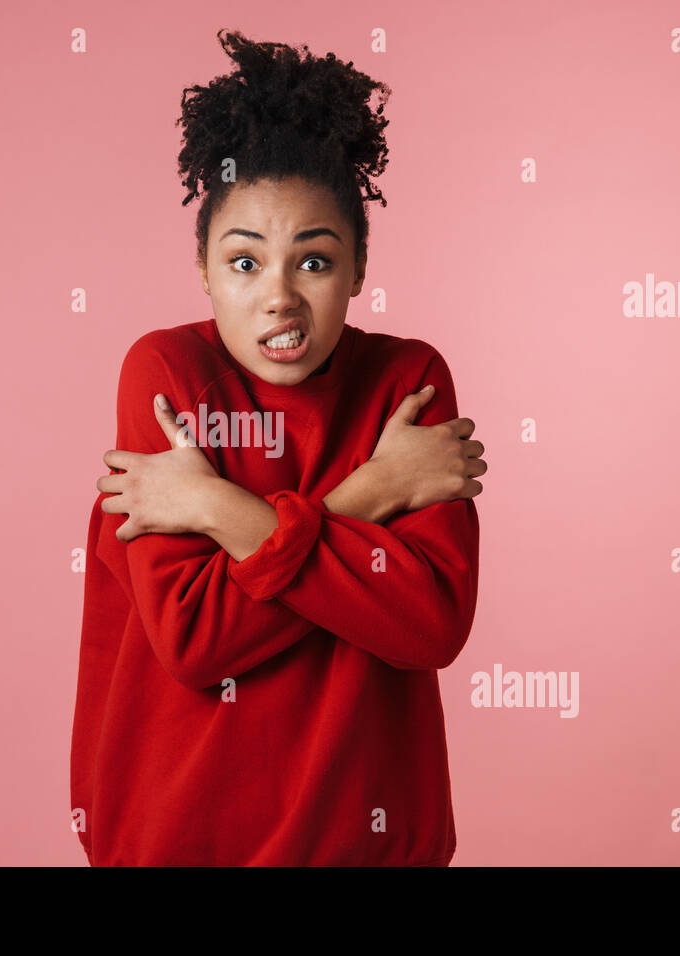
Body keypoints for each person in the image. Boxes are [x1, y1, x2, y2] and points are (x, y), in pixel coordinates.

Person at [70, 28, 486, 866]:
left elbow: (432, 622)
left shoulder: (407, 378)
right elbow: (196, 640)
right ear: (203, 268)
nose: (279, 300)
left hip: (370, 842)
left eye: (315, 261)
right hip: (183, 840)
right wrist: (369, 495)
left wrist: (220, 508)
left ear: (359, 267)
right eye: (246, 262)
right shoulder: (166, 373)